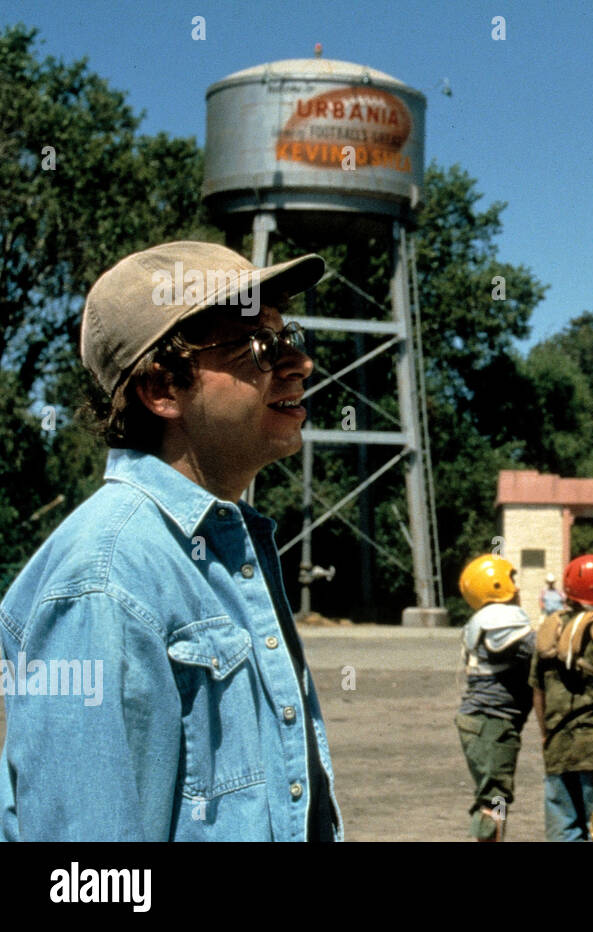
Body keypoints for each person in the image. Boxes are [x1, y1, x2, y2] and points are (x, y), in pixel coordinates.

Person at [0, 241, 341, 841]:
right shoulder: (104, 581)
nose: (298, 365)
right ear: (163, 389)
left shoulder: (227, 549)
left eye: (292, 339)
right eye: (261, 346)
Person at [530, 554, 593, 841]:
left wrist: (546, 734)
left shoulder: (550, 630)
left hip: (558, 746)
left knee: (563, 831)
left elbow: (538, 690)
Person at [456, 554, 535, 842]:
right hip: (492, 724)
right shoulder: (500, 620)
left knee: (491, 799)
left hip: (482, 723)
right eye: (512, 581)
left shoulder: (479, 621)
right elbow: (541, 651)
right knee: (494, 802)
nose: (517, 587)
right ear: (499, 585)